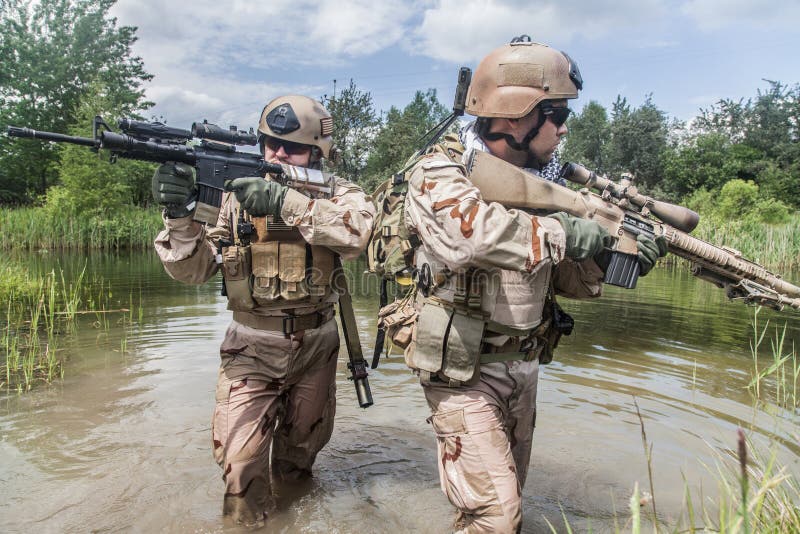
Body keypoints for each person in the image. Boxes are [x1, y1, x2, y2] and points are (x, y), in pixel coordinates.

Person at [400, 38, 666, 532]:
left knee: (508, 500)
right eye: (557, 114)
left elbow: (565, 282)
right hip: (462, 371)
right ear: (516, 116)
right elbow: (470, 237)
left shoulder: (545, 185)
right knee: (497, 517)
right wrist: (568, 232)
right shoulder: (441, 171)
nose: (565, 129)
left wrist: (607, 257)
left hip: (523, 365)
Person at [151, 95, 375, 527]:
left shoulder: (338, 193)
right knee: (240, 469)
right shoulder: (230, 199)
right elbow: (194, 271)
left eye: (292, 147)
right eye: (271, 144)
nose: (279, 154)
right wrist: (179, 218)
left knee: (298, 462)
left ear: (316, 153)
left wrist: (285, 202)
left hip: (317, 346)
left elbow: (359, 235)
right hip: (251, 346)